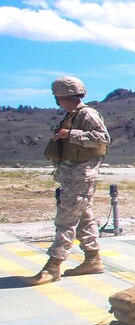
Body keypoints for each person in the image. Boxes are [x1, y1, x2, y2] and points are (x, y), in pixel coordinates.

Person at [26, 76, 111, 285]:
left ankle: (53, 265)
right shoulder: (71, 116)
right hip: (72, 175)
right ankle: (93, 259)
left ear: (62, 97)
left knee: (65, 221)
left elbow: (103, 139)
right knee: (85, 218)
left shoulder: (87, 114)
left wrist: (70, 134)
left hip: (81, 176)